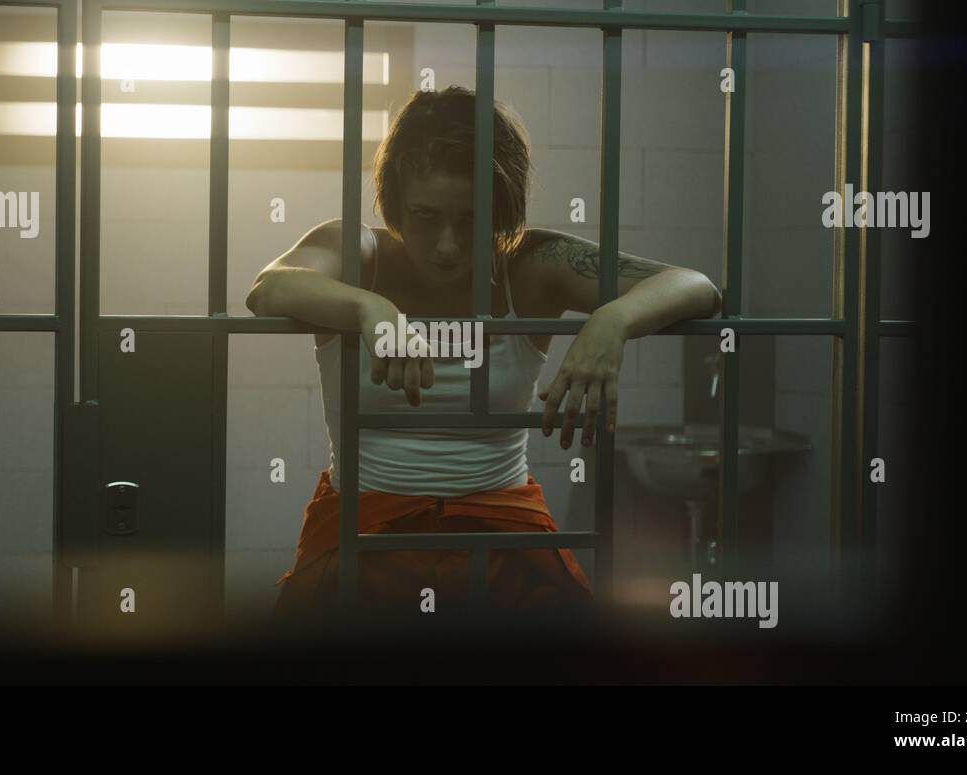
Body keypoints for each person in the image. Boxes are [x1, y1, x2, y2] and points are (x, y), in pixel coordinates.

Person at [246, 85, 722, 621]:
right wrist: (370, 309)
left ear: (500, 209)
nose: (448, 244)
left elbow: (696, 284)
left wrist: (612, 321)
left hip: (503, 539)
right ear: (397, 201)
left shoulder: (528, 264)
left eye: (471, 219)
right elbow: (268, 288)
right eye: (425, 216)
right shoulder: (360, 254)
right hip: (365, 533)